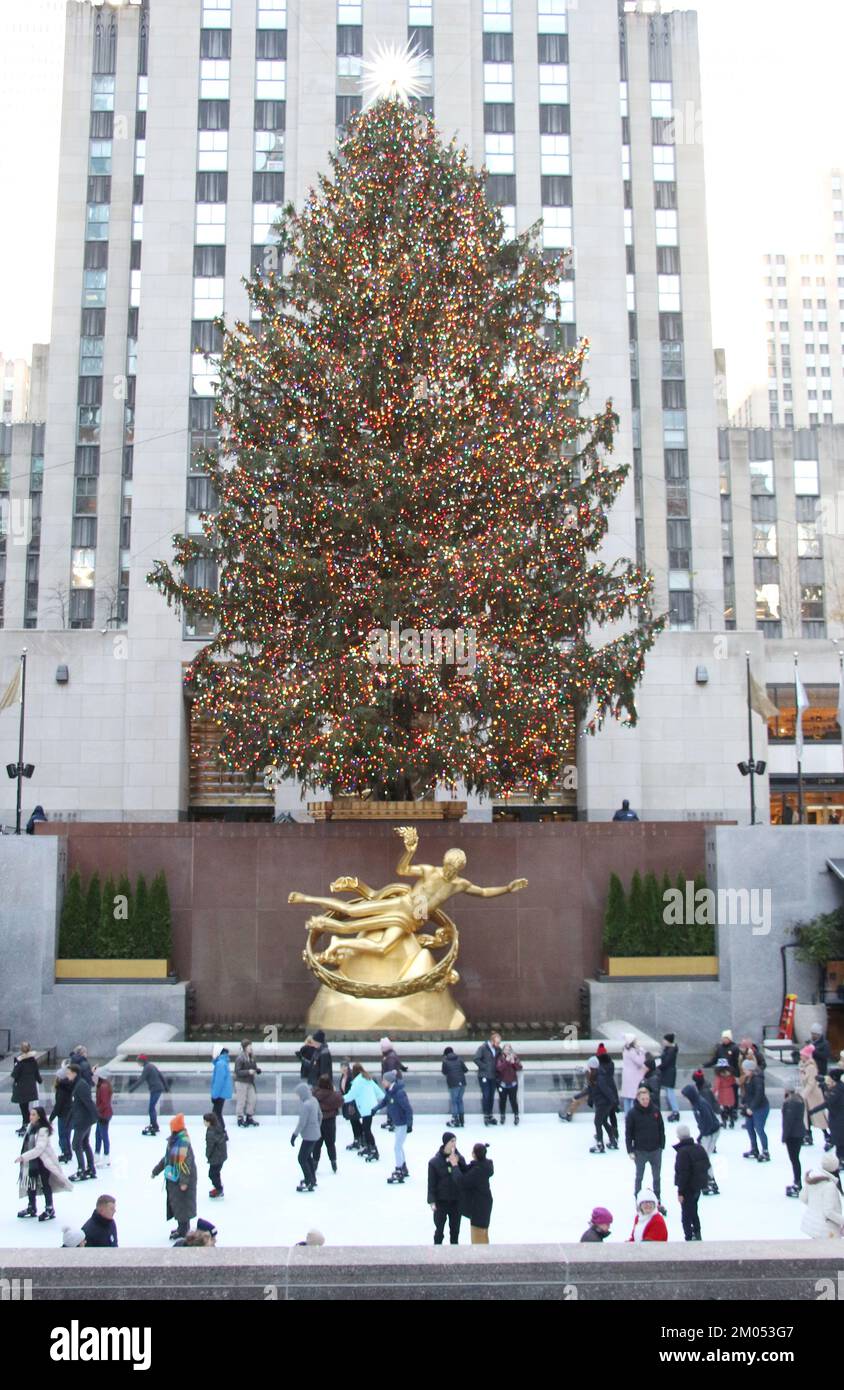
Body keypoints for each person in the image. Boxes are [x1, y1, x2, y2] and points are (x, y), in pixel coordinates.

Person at [15, 1105, 72, 1222]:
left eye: (33, 1114)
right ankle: (31, 1207)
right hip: (32, 1162)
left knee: (45, 1184)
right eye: (30, 1114)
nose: (31, 1116)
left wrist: (23, 1157)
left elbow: (39, 1149)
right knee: (31, 1183)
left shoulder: (43, 1130)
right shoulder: (31, 1127)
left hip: (43, 1161)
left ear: (39, 1116)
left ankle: (49, 1208)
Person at [151, 1114, 197, 1240]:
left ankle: (183, 1230)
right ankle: (182, 1227)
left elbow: (186, 1164)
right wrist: (156, 1170)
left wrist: (184, 1182)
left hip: (181, 1181)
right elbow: (167, 1159)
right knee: (178, 1205)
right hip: (174, 1179)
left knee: (183, 1206)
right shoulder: (175, 1141)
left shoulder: (182, 1143)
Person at [625, 1083, 667, 1212]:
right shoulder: (632, 1114)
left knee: (657, 1177)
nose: (645, 1101)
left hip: (655, 1150)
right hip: (640, 1151)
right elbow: (629, 1133)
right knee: (639, 1176)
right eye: (643, 1099)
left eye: (647, 1099)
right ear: (638, 1099)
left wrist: (661, 1145)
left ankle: (657, 1199)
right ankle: (638, 1200)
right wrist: (630, 1151)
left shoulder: (655, 1110)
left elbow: (661, 1128)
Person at [373, 1070, 414, 1183]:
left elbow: (408, 1109)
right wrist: (375, 1109)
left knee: (397, 1147)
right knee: (399, 1146)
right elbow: (385, 1102)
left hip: (402, 1123)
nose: (382, 1082)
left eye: (384, 1080)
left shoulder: (399, 1093)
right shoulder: (390, 1091)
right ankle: (403, 1168)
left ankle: (399, 1169)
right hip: (398, 1123)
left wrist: (409, 1124)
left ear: (389, 1081)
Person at [449, 1141, 494, 1244]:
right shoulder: (483, 1165)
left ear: (474, 1154)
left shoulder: (478, 1170)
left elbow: (461, 1181)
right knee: (483, 1234)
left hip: (479, 1208)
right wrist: (455, 1151)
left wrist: (455, 1165)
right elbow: (467, 1169)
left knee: (478, 1236)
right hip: (483, 1205)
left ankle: (481, 1258)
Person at [680, 1081, 721, 1195]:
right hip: (708, 1132)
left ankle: (710, 1180)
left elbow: (708, 1121)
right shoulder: (696, 1104)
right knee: (703, 1158)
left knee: (704, 1158)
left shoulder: (700, 1104)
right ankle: (709, 1179)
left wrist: (703, 1135)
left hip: (711, 1133)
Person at [427, 1132, 466, 1245]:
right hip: (441, 1201)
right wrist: (432, 1201)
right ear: (445, 1143)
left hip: (456, 1201)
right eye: (451, 1141)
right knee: (439, 1230)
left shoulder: (459, 1158)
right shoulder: (435, 1162)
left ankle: (454, 1255)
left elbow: (465, 1175)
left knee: (455, 1231)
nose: (454, 1144)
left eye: (455, 1141)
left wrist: (457, 1163)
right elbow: (431, 1183)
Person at [673, 1125, 710, 1241]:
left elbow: (683, 1173)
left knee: (686, 1215)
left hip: (687, 1188)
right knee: (694, 1210)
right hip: (698, 1187)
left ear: (678, 1136)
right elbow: (707, 1165)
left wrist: (680, 1192)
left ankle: (689, 1237)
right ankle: (697, 1233)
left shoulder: (682, 1152)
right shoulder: (699, 1148)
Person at [342, 1064, 383, 1161]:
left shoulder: (358, 1082)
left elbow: (351, 1095)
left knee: (367, 1130)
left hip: (366, 1108)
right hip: (370, 1107)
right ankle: (369, 1147)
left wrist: (340, 1099)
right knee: (366, 1129)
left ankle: (374, 1150)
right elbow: (378, 1092)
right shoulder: (367, 1078)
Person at [799, 1153, 843, 1239]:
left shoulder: (813, 1179)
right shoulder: (830, 1186)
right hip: (826, 1229)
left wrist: (815, 1206)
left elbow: (802, 1197)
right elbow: (829, 1212)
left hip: (812, 1224)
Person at [67, 1062, 98, 1183]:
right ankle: (90, 1168)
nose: (67, 1076)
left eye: (69, 1073)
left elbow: (88, 1102)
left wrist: (97, 1116)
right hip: (83, 1119)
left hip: (83, 1120)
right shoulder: (78, 1083)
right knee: (84, 1143)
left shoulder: (81, 1085)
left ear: (74, 1073)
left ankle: (82, 1170)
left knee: (76, 1144)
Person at [291, 1081, 322, 1192]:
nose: (299, 1097)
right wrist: (317, 1126)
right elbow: (320, 1115)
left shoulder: (306, 1105)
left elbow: (302, 1123)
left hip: (309, 1136)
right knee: (308, 1157)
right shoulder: (314, 1100)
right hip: (315, 1134)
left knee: (302, 1158)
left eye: (299, 1094)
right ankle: (312, 1179)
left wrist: (294, 1135)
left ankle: (309, 1181)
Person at [798, 1045, 830, 1150]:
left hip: (814, 1095)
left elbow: (811, 1083)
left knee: (818, 1116)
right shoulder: (802, 1066)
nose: (800, 1056)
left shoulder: (811, 1067)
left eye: (802, 1055)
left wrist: (803, 1095)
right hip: (807, 1095)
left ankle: (826, 1135)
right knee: (806, 1117)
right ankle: (808, 1135)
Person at [127, 1054, 169, 1136]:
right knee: (152, 1108)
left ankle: (154, 1126)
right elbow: (161, 1076)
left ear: (141, 1061)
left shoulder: (147, 1068)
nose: (138, 1064)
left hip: (155, 1089)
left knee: (151, 1108)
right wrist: (166, 1087)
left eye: (138, 1062)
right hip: (157, 1089)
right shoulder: (151, 1066)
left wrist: (131, 1089)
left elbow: (141, 1080)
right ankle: (155, 1125)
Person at [312, 1073, 344, 1176]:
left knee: (317, 1144)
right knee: (330, 1144)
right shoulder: (334, 1095)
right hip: (330, 1121)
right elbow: (341, 1101)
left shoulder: (314, 1094)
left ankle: (314, 1163)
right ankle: (333, 1162)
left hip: (318, 1121)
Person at [740, 1058, 770, 1161]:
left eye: (745, 1069)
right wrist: (744, 1102)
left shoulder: (757, 1079)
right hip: (751, 1107)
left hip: (761, 1107)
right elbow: (748, 1093)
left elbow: (759, 1094)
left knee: (759, 1128)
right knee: (749, 1126)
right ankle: (754, 1148)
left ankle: (765, 1151)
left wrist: (752, 1108)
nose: (743, 1071)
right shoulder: (748, 1078)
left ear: (750, 1069)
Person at [591, 1044, 619, 1153]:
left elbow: (603, 1089)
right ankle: (613, 1138)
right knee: (604, 1119)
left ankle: (600, 1144)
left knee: (598, 1121)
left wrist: (613, 1100)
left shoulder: (599, 1075)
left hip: (604, 1101)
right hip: (610, 1097)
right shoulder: (609, 1065)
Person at [11, 1042, 42, 1135]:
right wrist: (39, 1081)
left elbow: (14, 1074)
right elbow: (36, 1073)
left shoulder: (20, 1062)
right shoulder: (33, 1061)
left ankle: (26, 1125)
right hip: (30, 1087)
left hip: (21, 1088)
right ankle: (27, 1124)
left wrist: (15, 1064)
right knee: (25, 1108)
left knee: (23, 1108)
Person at [781, 1087, 807, 1197]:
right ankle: (797, 1182)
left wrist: (784, 1136)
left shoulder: (790, 1104)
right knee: (795, 1159)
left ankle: (797, 1183)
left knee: (794, 1159)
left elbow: (788, 1122)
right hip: (799, 1133)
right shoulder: (799, 1100)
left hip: (793, 1135)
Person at [473, 1031, 502, 1126]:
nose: (498, 1045)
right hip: (484, 1075)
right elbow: (476, 1058)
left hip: (493, 1075)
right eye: (497, 1043)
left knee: (491, 1095)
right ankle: (486, 1115)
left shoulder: (498, 1050)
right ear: (492, 1041)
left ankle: (490, 1115)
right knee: (486, 1095)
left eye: (499, 1043)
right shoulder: (483, 1048)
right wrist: (484, 1067)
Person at [234, 1040, 261, 1128]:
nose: (251, 1048)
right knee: (241, 1100)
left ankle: (249, 1116)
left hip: (250, 1082)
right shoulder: (240, 1058)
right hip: (241, 1082)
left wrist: (257, 1070)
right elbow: (237, 1071)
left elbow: (254, 1067)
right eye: (249, 1046)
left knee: (252, 1099)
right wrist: (248, 1072)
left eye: (251, 1046)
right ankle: (240, 1118)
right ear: (245, 1047)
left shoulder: (252, 1057)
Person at [562, 1056, 597, 1123]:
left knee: (577, 1100)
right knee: (577, 1100)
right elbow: (584, 1069)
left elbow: (590, 1089)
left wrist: (579, 1095)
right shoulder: (591, 1071)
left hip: (593, 1093)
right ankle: (568, 1114)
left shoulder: (593, 1075)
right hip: (592, 1092)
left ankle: (569, 1114)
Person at [495, 1043, 523, 1125]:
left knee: (513, 1100)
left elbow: (520, 1067)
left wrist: (514, 1063)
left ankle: (516, 1116)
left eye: (509, 1049)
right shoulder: (500, 1058)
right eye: (506, 1049)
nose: (507, 1051)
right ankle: (502, 1116)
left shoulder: (515, 1057)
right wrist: (507, 1061)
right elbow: (499, 1068)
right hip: (502, 1083)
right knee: (502, 1101)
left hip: (513, 1083)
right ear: (503, 1050)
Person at [339, 1060, 363, 1151]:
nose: (344, 1069)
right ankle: (360, 1139)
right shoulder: (343, 1076)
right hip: (347, 1102)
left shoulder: (351, 1077)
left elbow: (353, 1091)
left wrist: (351, 1104)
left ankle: (358, 1139)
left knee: (355, 1122)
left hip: (352, 1103)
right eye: (342, 1067)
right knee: (354, 1122)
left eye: (345, 1067)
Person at [620, 1034, 647, 1116]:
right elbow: (640, 1062)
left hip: (627, 1075)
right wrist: (642, 1052)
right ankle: (632, 1115)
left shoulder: (625, 1049)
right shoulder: (631, 1051)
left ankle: (627, 1115)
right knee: (633, 1096)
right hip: (633, 1076)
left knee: (627, 1097)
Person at [442, 1046, 468, 1127]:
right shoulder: (459, 1059)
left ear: (446, 1054)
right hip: (462, 1083)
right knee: (460, 1100)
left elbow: (444, 1072)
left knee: (454, 1101)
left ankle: (455, 1119)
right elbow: (466, 1070)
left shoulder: (445, 1061)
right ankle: (462, 1119)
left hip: (453, 1083)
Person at [204, 1111, 228, 1199]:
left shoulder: (211, 1132)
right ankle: (218, 1188)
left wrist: (208, 1155)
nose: (204, 1123)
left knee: (212, 1174)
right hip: (221, 1156)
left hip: (216, 1157)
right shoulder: (217, 1128)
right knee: (215, 1173)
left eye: (205, 1121)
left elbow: (210, 1146)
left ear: (209, 1122)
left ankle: (219, 1189)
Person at [210, 1046, 233, 1133]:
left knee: (216, 1114)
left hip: (219, 1094)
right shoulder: (223, 1062)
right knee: (217, 1113)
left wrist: (214, 1095)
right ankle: (221, 1132)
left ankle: (221, 1132)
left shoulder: (220, 1064)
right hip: (222, 1093)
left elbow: (218, 1081)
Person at [657, 1033, 679, 1121]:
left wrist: (657, 1066)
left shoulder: (671, 1050)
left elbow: (666, 1062)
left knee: (670, 1092)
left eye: (664, 1040)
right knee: (669, 1091)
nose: (663, 1041)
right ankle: (675, 1110)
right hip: (667, 1072)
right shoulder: (668, 1049)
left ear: (668, 1041)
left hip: (669, 1073)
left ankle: (676, 1111)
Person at [94, 1066, 113, 1168]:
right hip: (103, 1114)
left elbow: (104, 1103)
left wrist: (96, 1111)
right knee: (98, 1134)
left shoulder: (103, 1087)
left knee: (103, 1135)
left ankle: (106, 1157)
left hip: (103, 1115)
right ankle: (97, 1155)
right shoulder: (104, 1085)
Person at [712, 1059, 738, 1128]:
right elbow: (733, 1082)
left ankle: (724, 1122)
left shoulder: (719, 1076)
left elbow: (716, 1085)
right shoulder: (731, 1075)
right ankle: (732, 1121)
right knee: (730, 1107)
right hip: (730, 1091)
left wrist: (713, 1092)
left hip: (722, 1092)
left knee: (723, 1108)